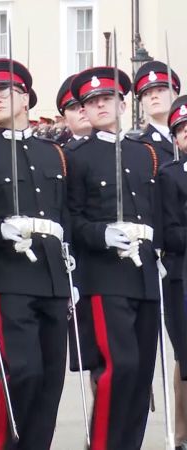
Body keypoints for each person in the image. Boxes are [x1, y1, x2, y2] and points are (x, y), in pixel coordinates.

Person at [0, 58, 71, 450]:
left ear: (26, 98)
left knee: (50, 381)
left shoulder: (55, 154)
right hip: (8, 279)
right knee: (21, 374)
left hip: (53, 278)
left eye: (3, 92)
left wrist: (71, 280)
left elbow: (66, 216)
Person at [67, 66, 161, 450]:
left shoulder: (146, 154)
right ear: (85, 112)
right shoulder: (76, 157)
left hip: (144, 276)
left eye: (107, 99)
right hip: (104, 276)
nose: (100, 105)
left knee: (140, 375)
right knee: (116, 367)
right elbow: (70, 219)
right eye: (92, 102)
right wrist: (102, 234)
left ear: (123, 103)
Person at [161, 94, 187, 448]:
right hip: (182, 276)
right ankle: (182, 434)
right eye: (183, 131)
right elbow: (169, 231)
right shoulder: (170, 176)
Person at [134, 61, 181, 162]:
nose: (154, 96)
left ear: (175, 95)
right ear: (141, 103)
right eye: (147, 93)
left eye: (160, 90)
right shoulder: (138, 147)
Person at [56, 74, 92, 150]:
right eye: (73, 108)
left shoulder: (118, 148)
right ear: (65, 120)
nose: (82, 109)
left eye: (88, 103)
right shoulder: (60, 155)